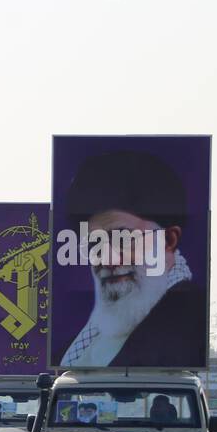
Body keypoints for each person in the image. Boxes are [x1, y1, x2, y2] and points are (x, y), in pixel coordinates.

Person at [59, 149, 205, 367]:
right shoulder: (83, 342)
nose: (108, 259)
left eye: (123, 239)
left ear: (168, 240)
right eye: (95, 244)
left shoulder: (190, 324)